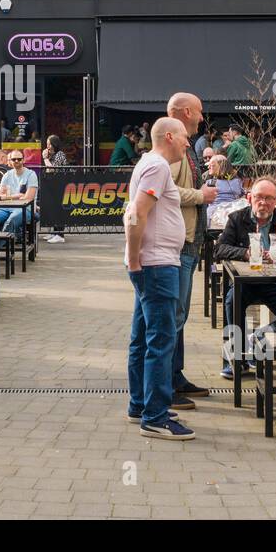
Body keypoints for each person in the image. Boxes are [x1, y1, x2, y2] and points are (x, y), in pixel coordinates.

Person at [123, 118, 195, 441]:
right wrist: (137, 258)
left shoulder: (148, 165)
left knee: (143, 338)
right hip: (157, 265)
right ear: (169, 135)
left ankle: (141, 404)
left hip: (150, 264)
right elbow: (135, 214)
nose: (188, 143)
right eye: (184, 137)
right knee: (161, 340)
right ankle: (155, 415)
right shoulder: (158, 167)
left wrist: (135, 260)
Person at [166, 92, 219, 402]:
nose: (202, 117)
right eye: (199, 111)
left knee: (179, 315)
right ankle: (169, 384)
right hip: (181, 244)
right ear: (186, 112)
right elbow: (164, 189)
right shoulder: (174, 147)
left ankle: (176, 377)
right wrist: (201, 196)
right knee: (175, 315)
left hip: (187, 243)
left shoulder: (183, 147)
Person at [214, 177, 276, 379]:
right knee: (231, 302)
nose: (263, 203)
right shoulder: (237, 218)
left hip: (275, 284)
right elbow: (219, 249)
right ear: (249, 198)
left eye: (269, 198)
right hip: (244, 282)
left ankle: (260, 339)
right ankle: (234, 359)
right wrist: (245, 253)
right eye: (259, 197)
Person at [0, 151, 39, 237]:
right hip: (5, 207)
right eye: (14, 159)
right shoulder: (7, 175)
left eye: (19, 159)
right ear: (10, 161)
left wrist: (7, 197)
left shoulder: (31, 174)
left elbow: (28, 198)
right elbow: (0, 196)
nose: (16, 161)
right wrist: (18, 195)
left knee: (11, 221)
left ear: (23, 160)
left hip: (25, 208)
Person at [41, 135, 69, 244]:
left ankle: (60, 234)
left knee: (59, 209)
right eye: (47, 144)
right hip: (53, 185)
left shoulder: (60, 154)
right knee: (53, 208)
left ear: (54, 144)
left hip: (60, 185)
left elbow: (52, 169)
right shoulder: (52, 155)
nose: (47, 146)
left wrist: (45, 158)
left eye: (49, 144)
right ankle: (54, 232)